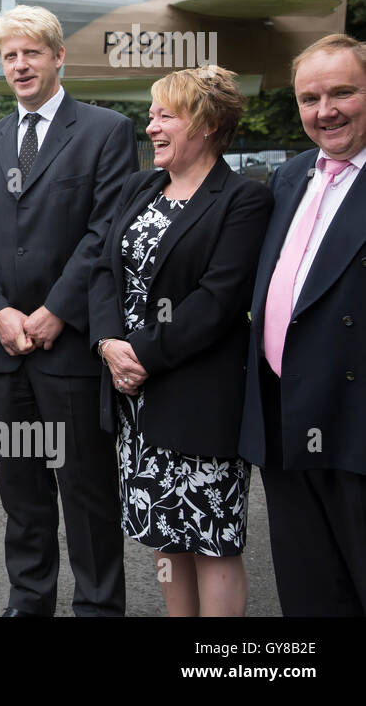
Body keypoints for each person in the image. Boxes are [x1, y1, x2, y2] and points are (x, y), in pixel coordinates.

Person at [0, 4, 136, 616]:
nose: (20, 64)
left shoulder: (106, 132)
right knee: (22, 489)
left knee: (85, 491)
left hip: (69, 346)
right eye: (10, 55)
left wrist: (57, 309)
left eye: (31, 52)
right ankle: (29, 600)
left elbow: (105, 230)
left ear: (59, 57)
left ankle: (99, 607)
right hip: (5, 350)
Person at [88, 66, 272, 616]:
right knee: (164, 535)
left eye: (166, 115)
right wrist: (107, 342)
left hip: (200, 394)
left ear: (209, 124)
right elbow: (103, 269)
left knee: (212, 539)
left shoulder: (244, 200)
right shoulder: (142, 187)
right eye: (151, 115)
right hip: (134, 398)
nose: (152, 127)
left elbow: (217, 301)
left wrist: (139, 355)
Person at [240, 34, 366, 615]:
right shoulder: (292, 176)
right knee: (310, 590)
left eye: (343, 92)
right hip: (283, 419)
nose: (326, 110)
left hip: (354, 424)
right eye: (310, 98)